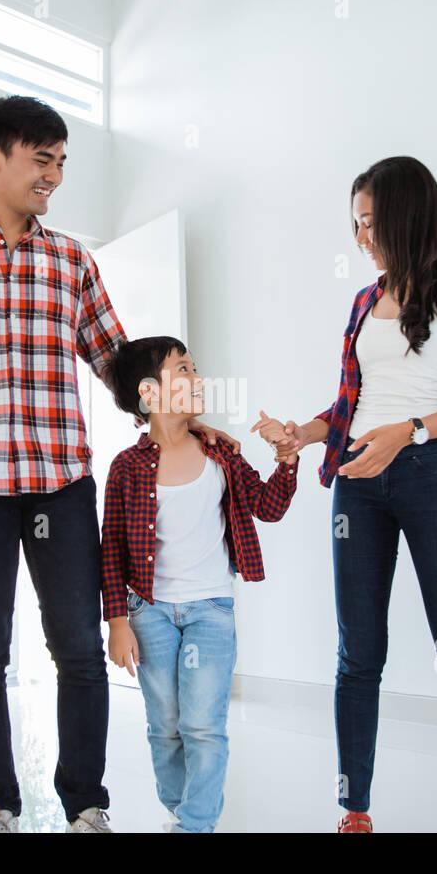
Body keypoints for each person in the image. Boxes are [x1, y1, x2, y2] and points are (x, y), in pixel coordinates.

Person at [0, 96, 238, 833]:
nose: (55, 176)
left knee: (77, 647)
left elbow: (118, 362)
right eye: (43, 160)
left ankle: (86, 804)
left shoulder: (70, 260)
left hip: (60, 488)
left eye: (62, 161)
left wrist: (190, 422)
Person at [267, 156, 437, 833]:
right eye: (356, 225)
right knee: (357, 655)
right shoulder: (365, 301)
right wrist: (300, 434)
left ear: (405, 216)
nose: (361, 238)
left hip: (434, 475)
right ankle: (354, 812)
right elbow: (351, 404)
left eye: (370, 223)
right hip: (359, 483)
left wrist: (411, 433)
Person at [98, 336, 298, 832]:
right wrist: (117, 624)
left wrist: (287, 459)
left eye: (194, 367)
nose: (198, 378)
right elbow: (112, 552)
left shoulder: (220, 454)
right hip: (149, 613)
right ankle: (178, 810)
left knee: (204, 728)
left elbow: (267, 507)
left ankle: (195, 825)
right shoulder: (125, 467)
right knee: (165, 728)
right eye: (183, 369)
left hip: (212, 610)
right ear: (150, 392)